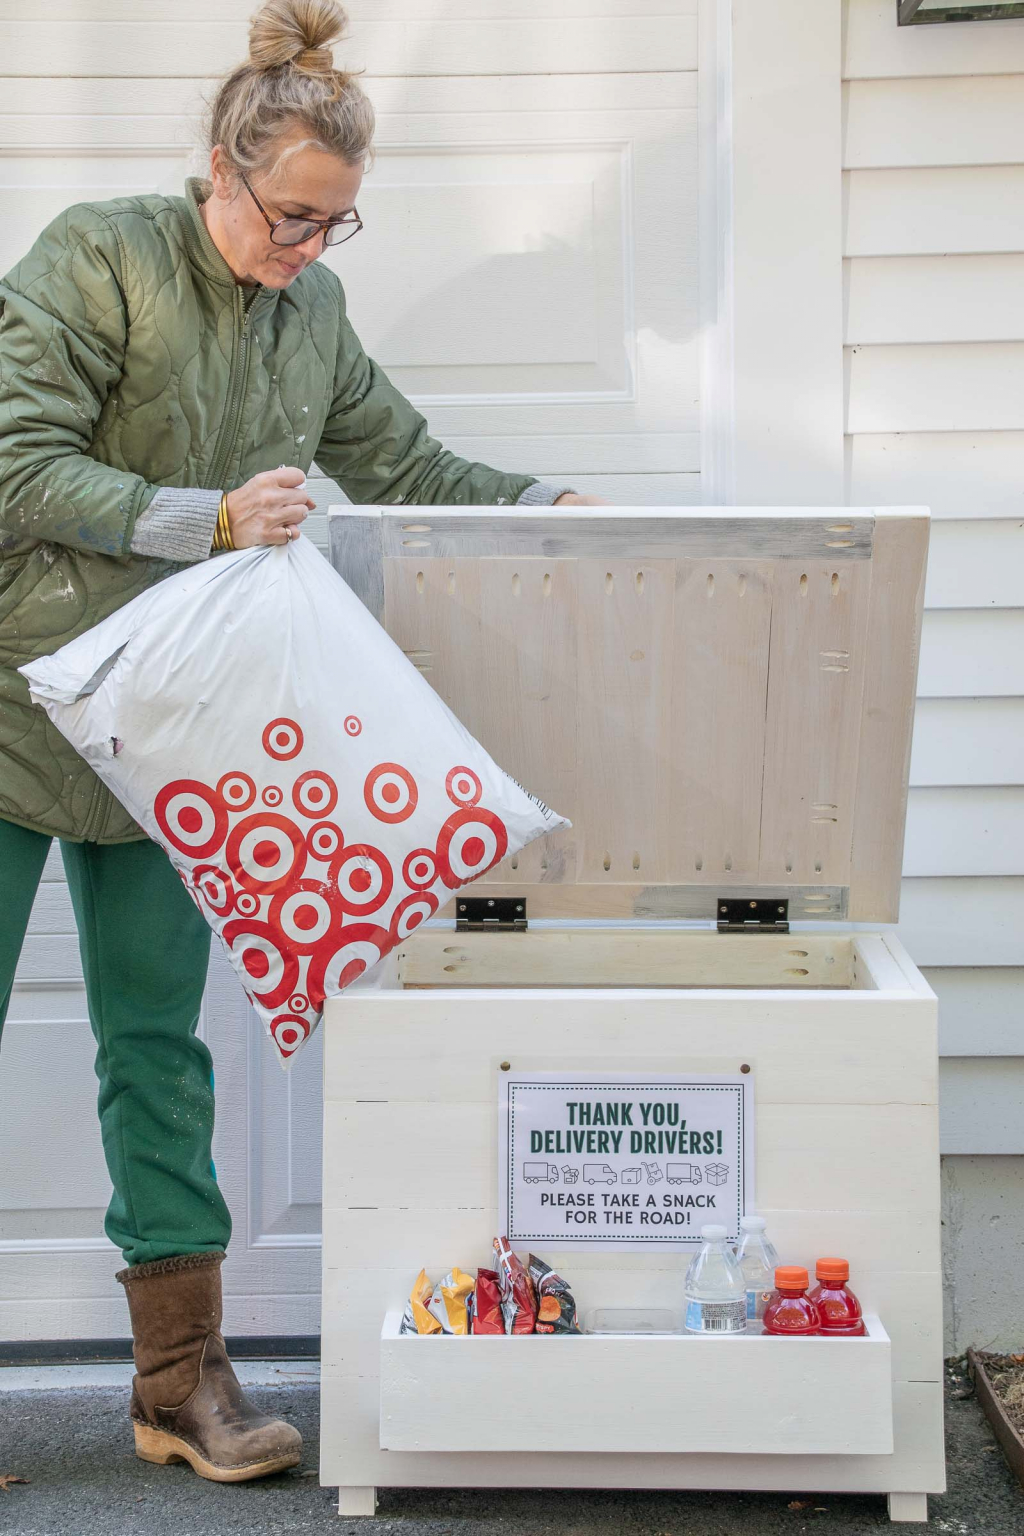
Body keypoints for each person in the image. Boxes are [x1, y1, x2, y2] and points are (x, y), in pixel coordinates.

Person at [0, 0, 610, 1483]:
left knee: (158, 1051)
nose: (304, 251)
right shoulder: (97, 256)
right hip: (13, 709)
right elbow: (17, 459)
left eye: (333, 229)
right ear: (219, 169)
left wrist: (543, 508)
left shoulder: (309, 313)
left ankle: (177, 1381)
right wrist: (200, 519)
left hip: (169, 738)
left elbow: (401, 458)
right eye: (287, 218)